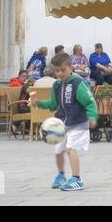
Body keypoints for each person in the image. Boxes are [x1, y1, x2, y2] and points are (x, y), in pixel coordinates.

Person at [37, 53, 98, 192]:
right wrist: (38, 103)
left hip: (78, 123)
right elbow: (53, 104)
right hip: (62, 125)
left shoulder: (77, 83)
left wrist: (92, 116)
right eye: (57, 70)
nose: (59, 73)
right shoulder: (57, 85)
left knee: (70, 148)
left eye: (63, 70)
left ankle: (77, 179)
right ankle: (61, 175)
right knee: (58, 150)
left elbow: (89, 102)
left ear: (71, 67)